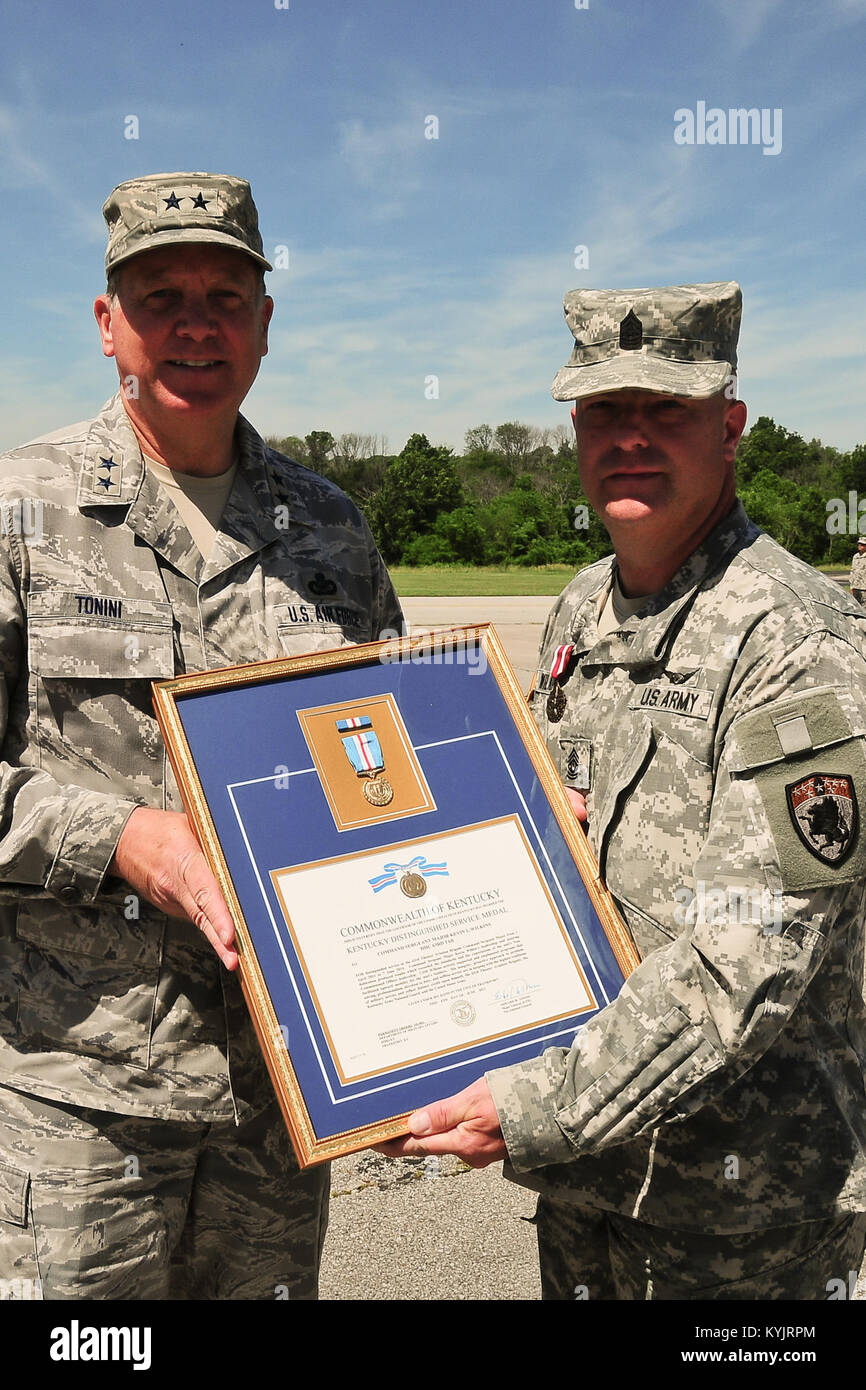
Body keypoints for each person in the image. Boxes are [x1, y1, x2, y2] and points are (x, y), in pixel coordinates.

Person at [380, 282, 866, 1300]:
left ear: (728, 427)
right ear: (571, 429)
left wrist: (530, 1103)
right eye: (604, 411)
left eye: (666, 411)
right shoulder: (576, 611)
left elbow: (743, 971)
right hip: (590, 1184)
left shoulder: (796, 643)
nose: (629, 438)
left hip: (745, 1219)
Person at [0, 172, 402, 1299]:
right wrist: (123, 837)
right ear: (104, 323)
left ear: (264, 324)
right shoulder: (20, 510)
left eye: (226, 295)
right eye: (158, 293)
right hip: (81, 1091)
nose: (193, 322)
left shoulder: (328, 529)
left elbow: (392, 764)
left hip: (278, 1093)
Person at [849, 538, 866, 606]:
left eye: (862, 544)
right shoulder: (855, 556)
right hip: (856, 587)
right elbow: (852, 571)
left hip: (864, 587)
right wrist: (851, 586)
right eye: (859, 544)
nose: (860, 546)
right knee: (856, 606)